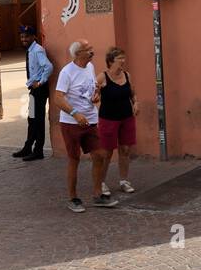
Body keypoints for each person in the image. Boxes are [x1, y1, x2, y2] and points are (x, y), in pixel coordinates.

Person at [52, 39, 116, 212]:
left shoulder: (90, 67)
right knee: (74, 159)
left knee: (100, 155)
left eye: (91, 48)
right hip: (71, 123)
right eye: (88, 49)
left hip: (90, 120)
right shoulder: (67, 72)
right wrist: (75, 114)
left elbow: (90, 90)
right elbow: (58, 97)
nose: (92, 51)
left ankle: (97, 194)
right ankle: (73, 198)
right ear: (78, 53)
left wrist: (95, 96)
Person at [93, 47, 138, 197]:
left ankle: (124, 180)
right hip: (108, 119)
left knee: (125, 150)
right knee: (106, 152)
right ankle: (102, 182)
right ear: (111, 61)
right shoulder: (102, 77)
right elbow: (94, 95)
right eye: (120, 59)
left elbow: (132, 93)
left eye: (124, 58)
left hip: (126, 117)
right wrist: (96, 101)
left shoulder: (127, 75)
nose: (123, 61)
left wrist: (136, 103)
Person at [13, 26, 52, 161]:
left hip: (39, 90)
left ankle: (38, 150)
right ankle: (28, 147)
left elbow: (48, 66)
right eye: (22, 36)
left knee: (38, 120)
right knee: (32, 118)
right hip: (34, 90)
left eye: (27, 36)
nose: (24, 39)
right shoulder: (31, 50)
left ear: (34, 37)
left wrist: (40, 82)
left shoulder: (37, 50)